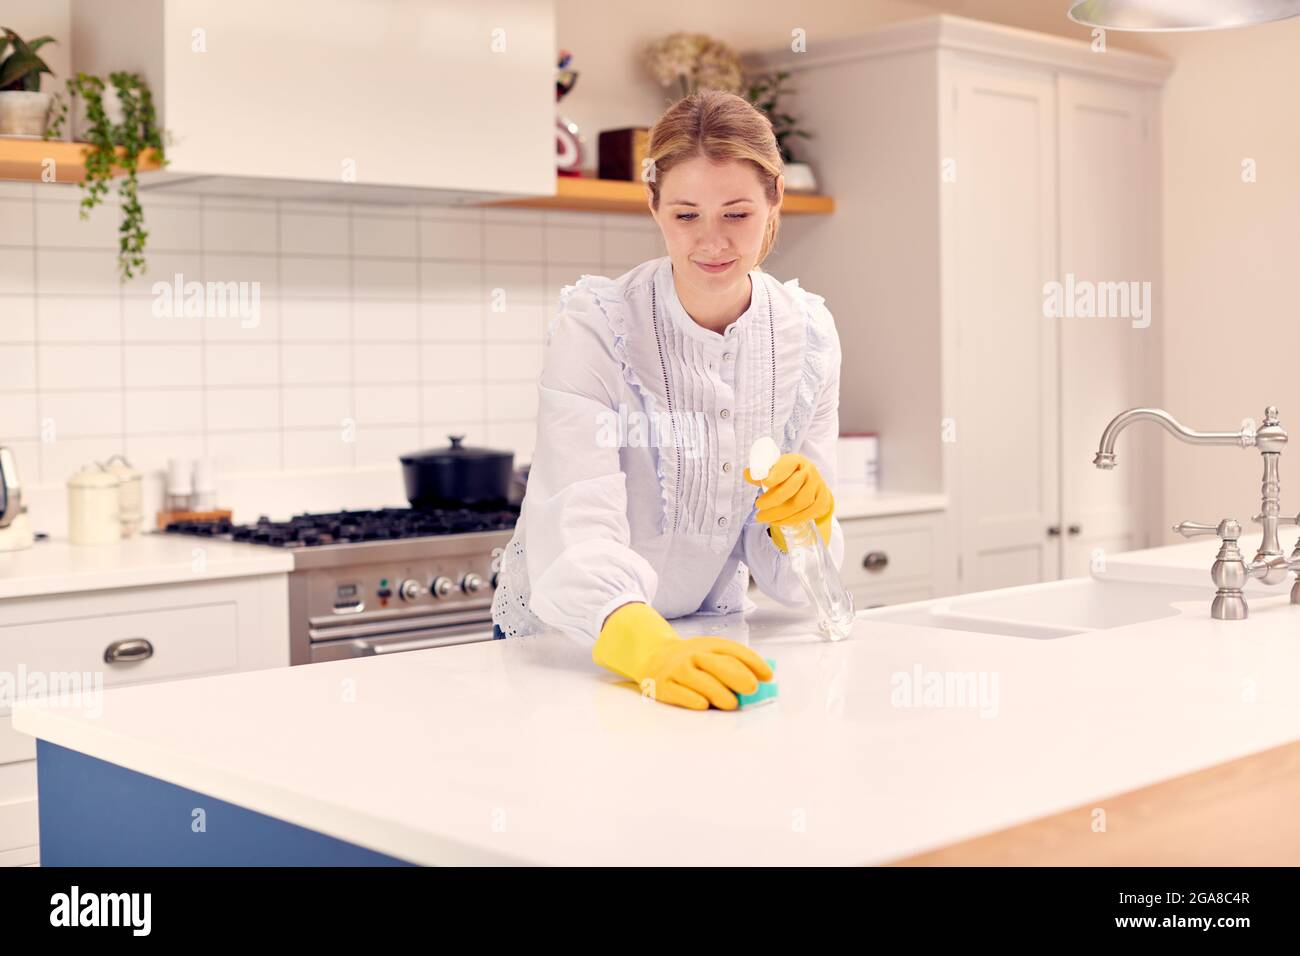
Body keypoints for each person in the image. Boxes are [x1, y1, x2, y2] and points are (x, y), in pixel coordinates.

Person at [491, 88, 844, 711]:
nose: (712, 241)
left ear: (774, 202)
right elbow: (578, 528)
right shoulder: (597, 326)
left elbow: (794, 585)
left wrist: (804, 523)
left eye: (736, 214)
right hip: (580, 646)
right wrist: (649, 652)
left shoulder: (808, 336)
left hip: (710, 637)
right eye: (686, 215)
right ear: (654, 207)